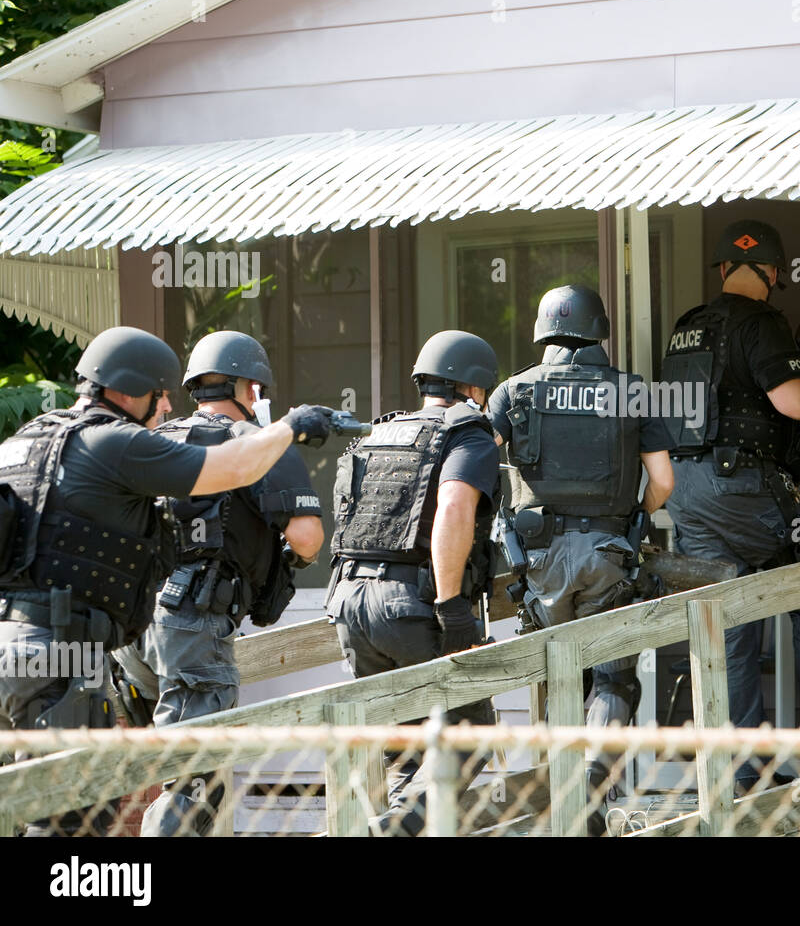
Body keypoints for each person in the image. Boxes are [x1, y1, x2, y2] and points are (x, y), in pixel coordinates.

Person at [0, 326, 337, 836]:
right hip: (64, 652)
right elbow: (233, 468)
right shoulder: (115, 442)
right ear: (130, 390)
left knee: (30, 802)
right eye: (157, 396)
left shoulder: (26, 442)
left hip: (37, 646)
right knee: (114, 807)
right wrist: (291, 429)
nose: (163, 410)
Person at [111, 331, 325, 836]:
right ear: (252, 389)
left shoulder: (159, 437)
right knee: (193, 782)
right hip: (192, 631)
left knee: (176, 773)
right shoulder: (258, 443)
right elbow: (308, 539)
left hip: (134, 631)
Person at [659, 219, 800, 793]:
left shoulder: (686, 329)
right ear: (771, 272)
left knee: (732, 621)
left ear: (721, 270)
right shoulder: (761, 323)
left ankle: (742, 768)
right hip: (741, 488)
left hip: (684, 490)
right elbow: (794, 403)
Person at [488, 284, 674, 834]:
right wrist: (637, 513)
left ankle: (569, 800)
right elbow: (663, 481)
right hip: (609, 554)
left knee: (558, 677)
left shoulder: (512, 391)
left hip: (538, 557)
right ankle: (595, 782)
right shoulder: (631, 391)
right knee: (613, 679)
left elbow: (475, 461)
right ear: (600, 330)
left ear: (544, 331)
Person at [326, 329, 501, 836]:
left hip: (349, 601)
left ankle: (396, 820)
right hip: (411, 607)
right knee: (468, 737)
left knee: (404, 741)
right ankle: (396, 828)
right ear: (475, 387)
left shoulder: (381, 433)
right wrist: (452, 609)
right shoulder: (467, 434)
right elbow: (454, 508)